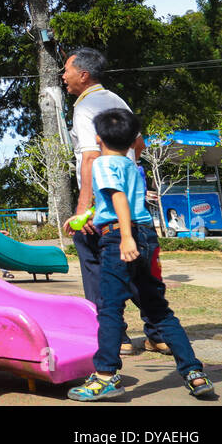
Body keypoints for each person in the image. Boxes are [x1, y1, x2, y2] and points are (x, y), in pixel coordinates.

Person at [68, 108, 214, 401]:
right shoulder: (132, 166)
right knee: (158, 309)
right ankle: (194, 374)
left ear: (98, 138)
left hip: (120, 238)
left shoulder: (102, 163)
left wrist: (123, 237)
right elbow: (122, 201)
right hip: (146, 236)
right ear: (134, 139)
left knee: (110, 309)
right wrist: (88, 217)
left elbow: (119, 199)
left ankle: (106, 375)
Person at [61, 47, 167, 356]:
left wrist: (83, 210)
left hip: (101, 203)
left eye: (67, 70)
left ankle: (116, 336)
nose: (63, 76)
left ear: (84, 74)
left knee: (97, 270)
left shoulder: (84, 108)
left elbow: (90, 158)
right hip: (132, 204)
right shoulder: (118, 101)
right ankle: (157, 333)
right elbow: (140, 144)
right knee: (138, 268)